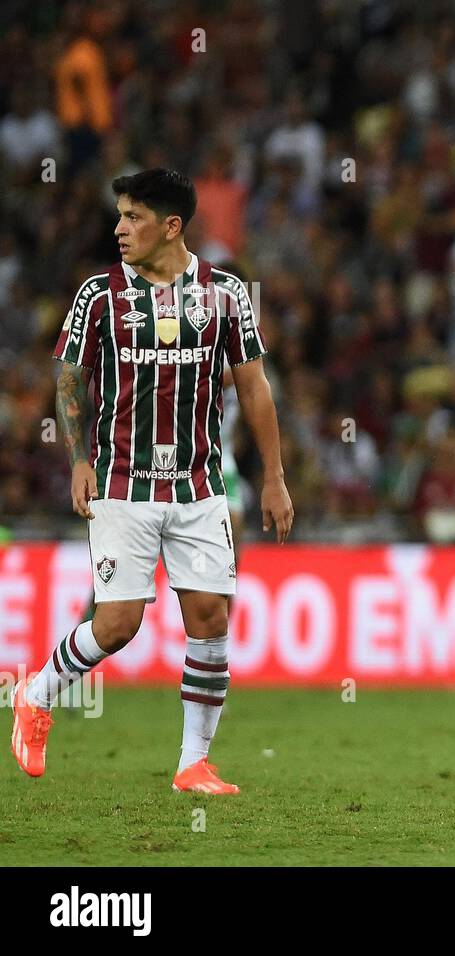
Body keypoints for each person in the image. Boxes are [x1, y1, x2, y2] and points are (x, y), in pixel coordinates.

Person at [11, 169, 294, 795]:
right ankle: (34, 697)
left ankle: (194, 761)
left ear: (171, 226)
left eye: (133, 217)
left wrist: (273, 478)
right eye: (118, 216)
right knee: (117, 624)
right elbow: (70, 378)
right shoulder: (99, 295)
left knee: (211, 617)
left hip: (199, 483)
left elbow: (254, 386)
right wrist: (79, 459)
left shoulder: (225, 295)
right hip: (122, 480)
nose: (119, 228)